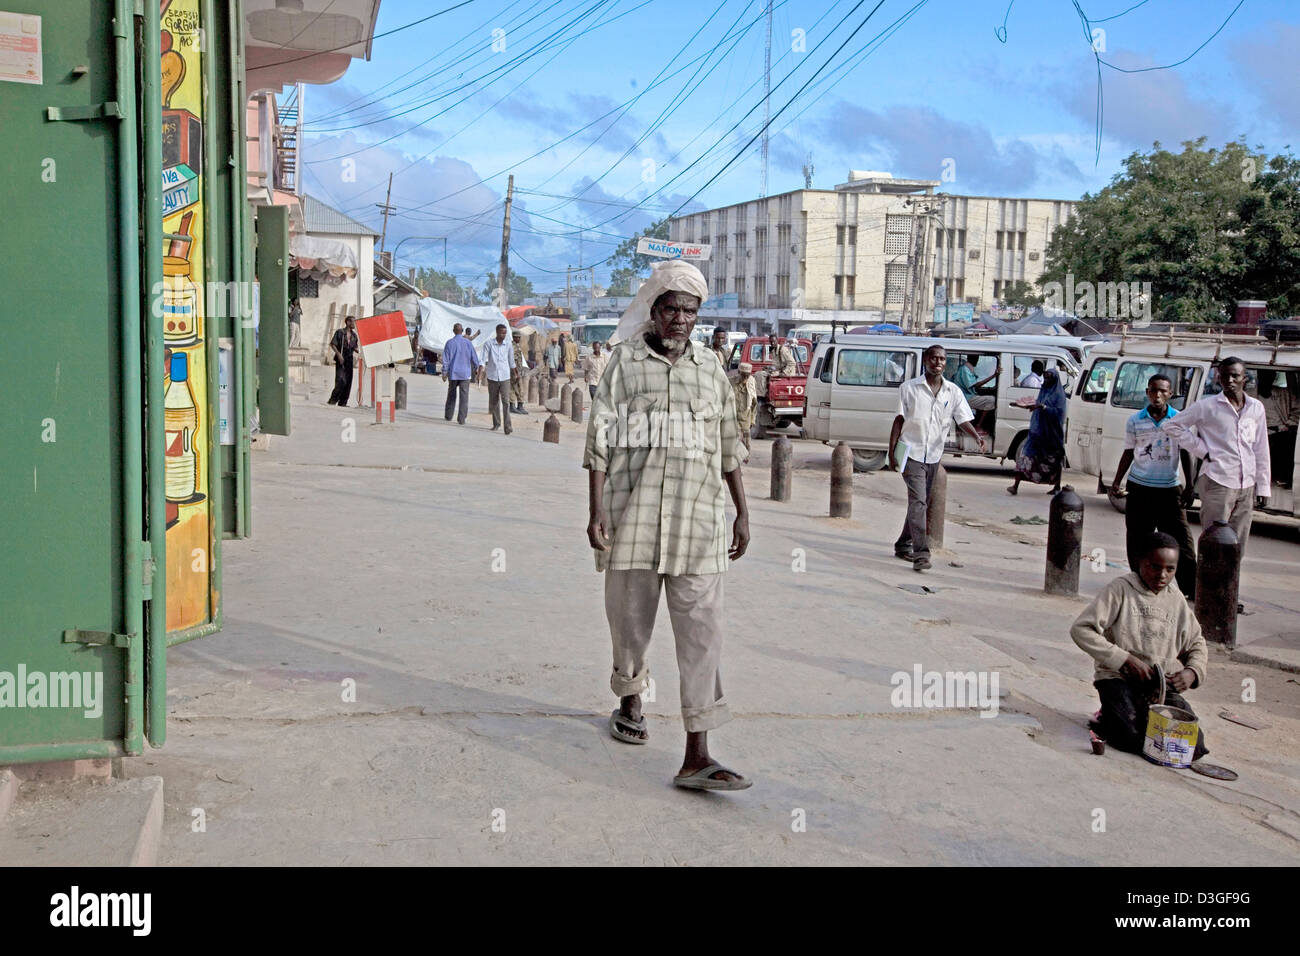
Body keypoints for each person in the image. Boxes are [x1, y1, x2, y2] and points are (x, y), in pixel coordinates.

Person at [585, 259, 752, 792]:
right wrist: (595, 511)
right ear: (653, 312)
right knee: (629, 626)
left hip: (699, 524)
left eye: (690, 311)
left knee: (704, 635)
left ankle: (697, 754)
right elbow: (599, 443)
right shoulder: (624, 365)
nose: (681, 319)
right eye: (672, 309)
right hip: (632, 520)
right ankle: (631, 695)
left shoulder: (711, 370)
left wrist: (742, 510)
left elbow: (728, 444)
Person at [1071, 531, 1209, 763]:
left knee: (1191, 745)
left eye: (1170, 569)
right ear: (1140, 562)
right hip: (1118, 678)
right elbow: (1081, 629)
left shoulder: (1175, 599)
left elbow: (1197, 643)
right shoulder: (1120, 590)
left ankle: (1131, 717)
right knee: (1128, 736)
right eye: (1154, 567)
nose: (1162, 575)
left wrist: (1192, 672)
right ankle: (1108, 716)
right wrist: (1123, 659)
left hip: (1159, 686)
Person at [889, 344, 986, 572]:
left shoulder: (952, 392)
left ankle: (903, 543)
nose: (938, 362)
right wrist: (892, 451)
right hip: (911, 453)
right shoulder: (909, 388)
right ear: (926, 360)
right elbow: (898, 421)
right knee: (919, 502)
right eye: (934, 358)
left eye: (942, 359)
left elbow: (962, 419)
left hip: (933, 456)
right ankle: (921, 554)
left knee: (920, 503)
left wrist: (976, 437)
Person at [1165, 356, 1270, 558]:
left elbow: (1260, 448)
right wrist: (1203, 451)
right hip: (1218, 480)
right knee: (1214, 542)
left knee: (1237, 546)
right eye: (1224, 376)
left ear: (1244, 379)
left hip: (1246, 485)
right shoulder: (1208, 406)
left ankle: (1229, 589)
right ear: (1218, 379)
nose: (1229, 380)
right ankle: (1207, 588)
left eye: (1235, 376)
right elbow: (1171, 425)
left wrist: (1262, 485)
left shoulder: (1256, 408)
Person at [1110, 374, 1197, 599]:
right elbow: (1129, 452)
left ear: (1170, 394)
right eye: (1153, 391)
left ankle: (1192, 588)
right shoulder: (1135, 420)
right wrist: (1116, 481)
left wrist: (1190, 485)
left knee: (1182, 542)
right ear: (1147, 392)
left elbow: (1186, 452)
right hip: (1140, 488)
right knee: (1138, 539)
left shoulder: (1178, 419)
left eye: (1163, 391)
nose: (1157, 395)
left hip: (1169, 489)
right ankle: (1139, 584)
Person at [1007, 369, 1068, 495]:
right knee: (1026, 456)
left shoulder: (1059, 395)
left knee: (1054, 460)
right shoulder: (1043, 391)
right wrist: (1021, 405)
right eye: (1045, 378)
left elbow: (1059, 413)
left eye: (1049, 378)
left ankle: (1057, 486)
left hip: (1051, 434)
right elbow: (1036, 405)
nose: (1046, 381)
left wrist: (1043, 407)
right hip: (1037, 431)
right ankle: (1015, 485)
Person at [1258, 371, 1297, 489]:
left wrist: (1287, 425)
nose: (1266, 379)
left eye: (1269, 376)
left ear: (1273, 377)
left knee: (1286, 441)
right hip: (1260, 435)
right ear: (1259, 376)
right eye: (1264, 376)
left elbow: (1297, 412)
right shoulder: (1250, 396)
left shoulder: (1284, 394)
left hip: (1282, 432)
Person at [441, 323, 481, 424]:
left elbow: (446, 360)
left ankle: (449, 416)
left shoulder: (449, 343)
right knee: (464, 396)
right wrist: (477, 368)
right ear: (462, 330)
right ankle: (462, 419)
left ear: (453, 331)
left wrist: (444, 373)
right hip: (465, 373)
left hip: (453, 373)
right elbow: (474, 357)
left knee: (451, 395)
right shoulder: (468, 343)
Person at [482, 323, 515, 434]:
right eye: (501, 332)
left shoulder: (508, 345)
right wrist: (480, 370)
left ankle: (508, 426)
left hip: (505, 376)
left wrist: (515, 372)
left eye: (505, 333)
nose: (503, 335)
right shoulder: (489, 344)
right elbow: (483, 358)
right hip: (493, 377)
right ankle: (496, 423)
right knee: (494, 401)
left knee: (506, 401)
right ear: (497, 332)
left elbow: (511, 360)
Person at [954, 354, 998, 428]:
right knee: (991, 400)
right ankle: (978, 425)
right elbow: (975, 385)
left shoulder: (966, 368)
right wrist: (994, 375)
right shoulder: (965, 369)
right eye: (975, 358)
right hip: (964, 398)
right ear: (971, 358)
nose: (977, 361)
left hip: (967, 396)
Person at [326, 316, 358, 406]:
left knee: (348, 381)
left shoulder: (354, 335)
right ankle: (332, 400)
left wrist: (361, 352)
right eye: (353, 322)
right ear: (348, 322)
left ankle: (343, 402)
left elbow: (355, 347)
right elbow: (332, 344)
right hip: (341, 358)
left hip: (349, 360)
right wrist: (339, 354)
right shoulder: (340, 332)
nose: (354, 324)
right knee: (340, 380)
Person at [733, 362, 757, 460]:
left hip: (745, 417)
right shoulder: (731, 382)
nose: (745, 378)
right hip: (733, 417)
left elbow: (754, 404)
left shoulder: (751, 383)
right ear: (739, 372)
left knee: (746, 444)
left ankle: (742, 461)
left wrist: (752, 420)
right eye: (743, 375)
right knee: (735, 443)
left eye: (747, 375)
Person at [510, 330, 529, 415]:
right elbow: (512, 361)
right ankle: (513, 406)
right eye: (517, 337)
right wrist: (516, 373)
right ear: (514, 337)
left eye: (519, 337)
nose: (519, 339)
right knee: (515, 388)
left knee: (518, 388)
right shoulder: (513, 347)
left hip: (517, 370)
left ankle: (519, 406)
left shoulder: (516, 346)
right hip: (514, 371)